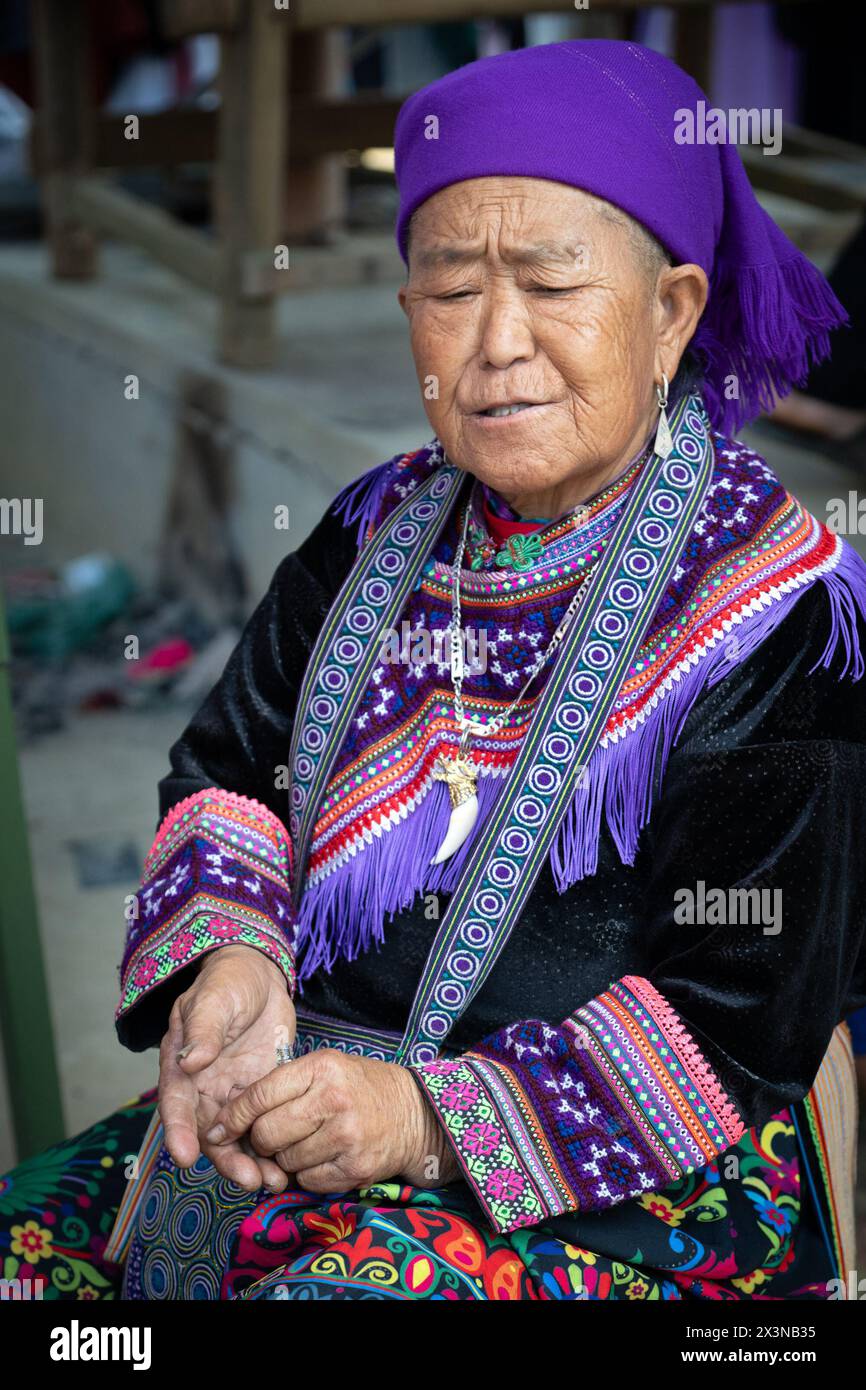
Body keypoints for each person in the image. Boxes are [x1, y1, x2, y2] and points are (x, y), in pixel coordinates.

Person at [3, 38, 865, 1302]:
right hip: (304, 1108)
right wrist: (231, 964)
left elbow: (740, 1017)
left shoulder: (771, 612)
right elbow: (229, 769)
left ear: (671, 312)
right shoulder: (374, 531)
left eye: (549, 283)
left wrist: (416, 1118)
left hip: (635, 1177)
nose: (496, 342)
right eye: (450, 289)